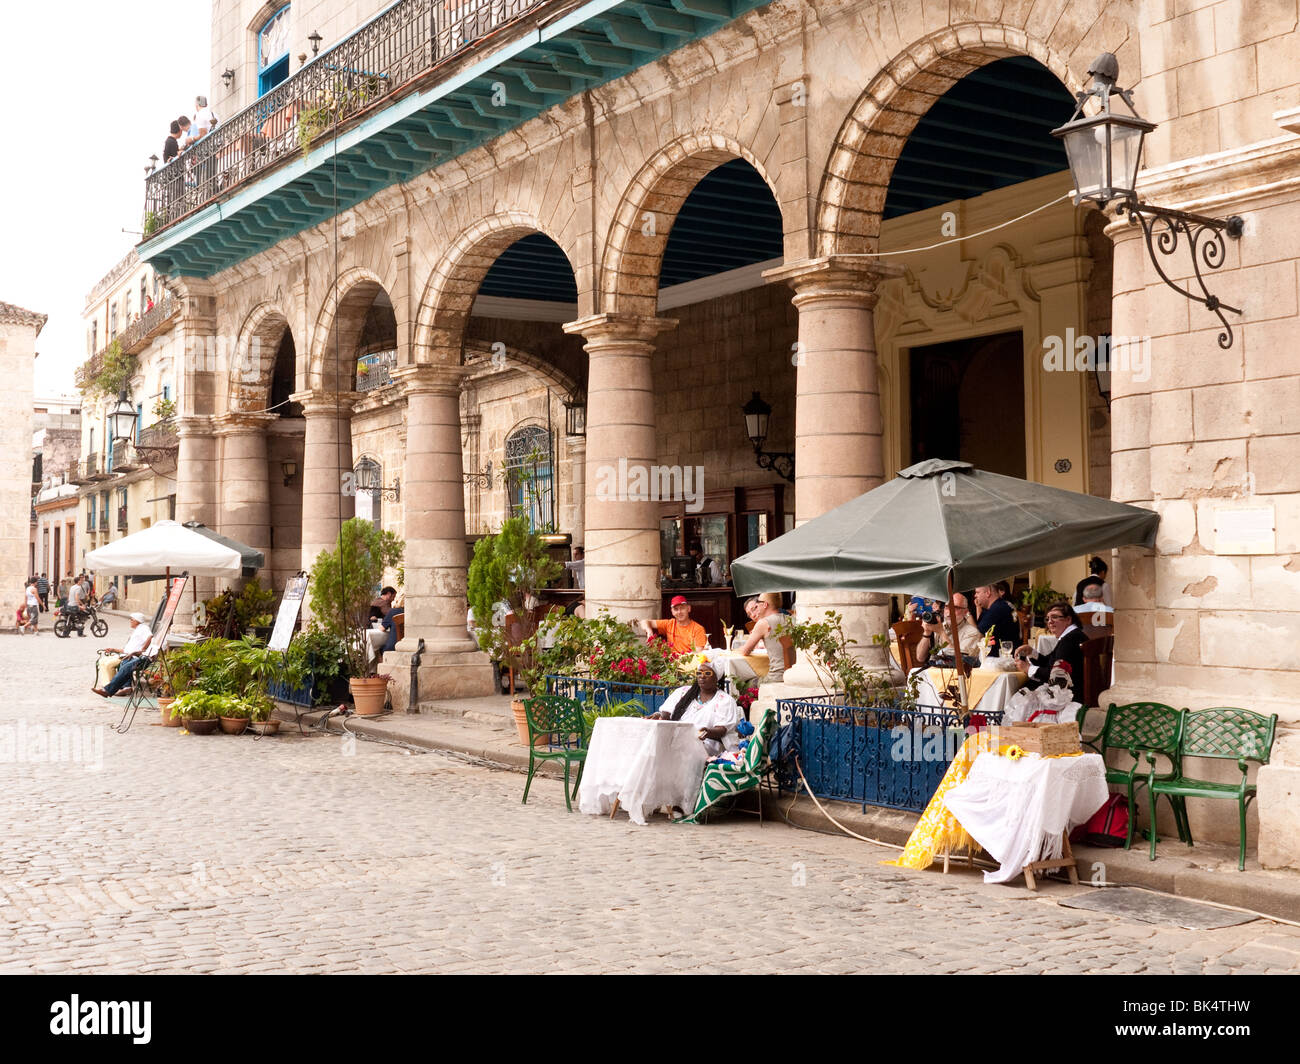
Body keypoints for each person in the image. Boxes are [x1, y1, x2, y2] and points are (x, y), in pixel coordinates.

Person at [649, 660, 742, 757]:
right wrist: (660, 716)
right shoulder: (682, 692)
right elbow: (666, 713)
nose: (702, 676)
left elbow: (722, 729)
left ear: (716, 678)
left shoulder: (725, 700)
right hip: (676, 738)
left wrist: (707, 732)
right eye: (699, 673)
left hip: (707, 743)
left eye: (707, 673)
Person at [1014, 600, 1087, 700]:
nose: (1050, 621)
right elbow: (1051, 663)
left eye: (1055, 617)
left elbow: (1055, 676)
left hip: (1070, 697)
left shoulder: (1069, 641)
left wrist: (1028, 668)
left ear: (1068, 619)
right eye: (1048, 618)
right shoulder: (1072, 636)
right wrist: (1032, 652)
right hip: (1070, 691)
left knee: (1020, 693)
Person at [733, 595, 795, 684]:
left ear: (765, 605)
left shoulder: (763, 623)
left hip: (776, 677)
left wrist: (738, 649)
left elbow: (745, 651)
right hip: (793, 675)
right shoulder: (792, 619)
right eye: (749, 614)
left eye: (756, 606)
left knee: (742, 683)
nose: (753, 615)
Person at [93, 613, 155, 697]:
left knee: (125, 667)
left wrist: (143, 649)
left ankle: (107, 690)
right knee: (124, 664)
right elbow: (127, 650)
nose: (130, 621)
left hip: (138, 657)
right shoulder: (137, 630)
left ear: (138, 621)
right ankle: (126, 688)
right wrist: (114, 649)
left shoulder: (143, 628)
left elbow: (150, 637)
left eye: (132, 619)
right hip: (128, 655)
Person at [915, 594, 980, 665]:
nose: (949, 612)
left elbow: (955, 662)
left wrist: (942, 633)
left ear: (965, 612)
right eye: (946, 607)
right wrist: (927, 633)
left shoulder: (972, 632)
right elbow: (920, 658)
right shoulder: (940, 626)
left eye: (955, 608)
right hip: (935, 670)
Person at [639, 596, 707, 654]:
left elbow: (698, 653)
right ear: (672, 612)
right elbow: (644, 622)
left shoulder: (698, 629)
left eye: (682, 608)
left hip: (689, 664)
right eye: (676, 609)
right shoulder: (669, 624)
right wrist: (649, 631)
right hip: (671, 664)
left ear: (688, 609)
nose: (679, 612)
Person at [972, 584, 1019, 654]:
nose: (975, 595)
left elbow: (977, 635)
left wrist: (967, 615)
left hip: (1001, 658)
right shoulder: (998, 605)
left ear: (988, 593)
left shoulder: (997, 610)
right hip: (1003, 654)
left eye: (977, 592)